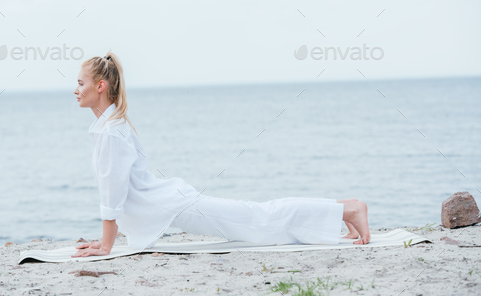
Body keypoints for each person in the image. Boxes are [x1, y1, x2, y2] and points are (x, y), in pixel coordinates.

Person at [71, 52, 370, 258]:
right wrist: (105, 241)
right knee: (258, 217)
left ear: (100, 86)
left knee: (259, 220)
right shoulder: (109, 126)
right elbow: (116, 191)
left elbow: (113, 193)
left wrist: (106, 246)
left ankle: (349, 209)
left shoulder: (110, 130)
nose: (76, 90)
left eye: (80, 83)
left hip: (173, 206)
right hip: (170, 204)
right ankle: (343, 209)